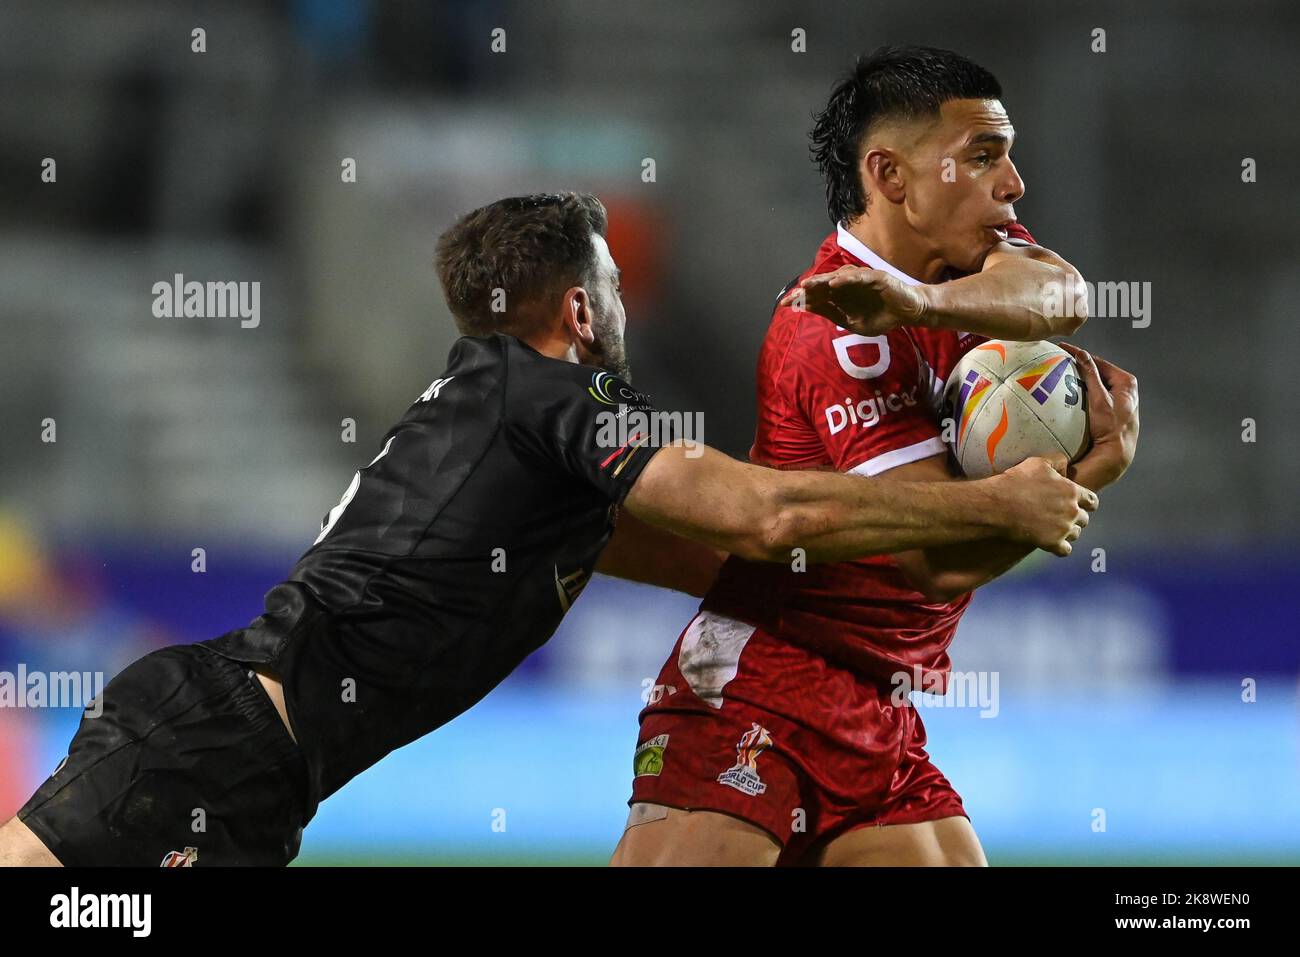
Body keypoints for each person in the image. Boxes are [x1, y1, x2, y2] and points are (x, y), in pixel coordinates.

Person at [0, 191, 1094, 867]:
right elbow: (767, 515)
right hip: (210, 749)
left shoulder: (501, 436)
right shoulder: (551, 402)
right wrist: (990, 501)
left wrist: (1026, 508)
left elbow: (763, 565)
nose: (623, 308)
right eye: (612, 285)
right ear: (578, 309)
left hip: (244, 767)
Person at [612, 47, 1139, 867]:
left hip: (880, 707)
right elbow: (935, 559)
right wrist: (1088, 472)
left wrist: (922, 303)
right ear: (891, 176)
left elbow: (1063, 296)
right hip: (761, 687)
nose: (1014, 183)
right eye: (983, 157)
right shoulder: (829, 326)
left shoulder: (964, 277)